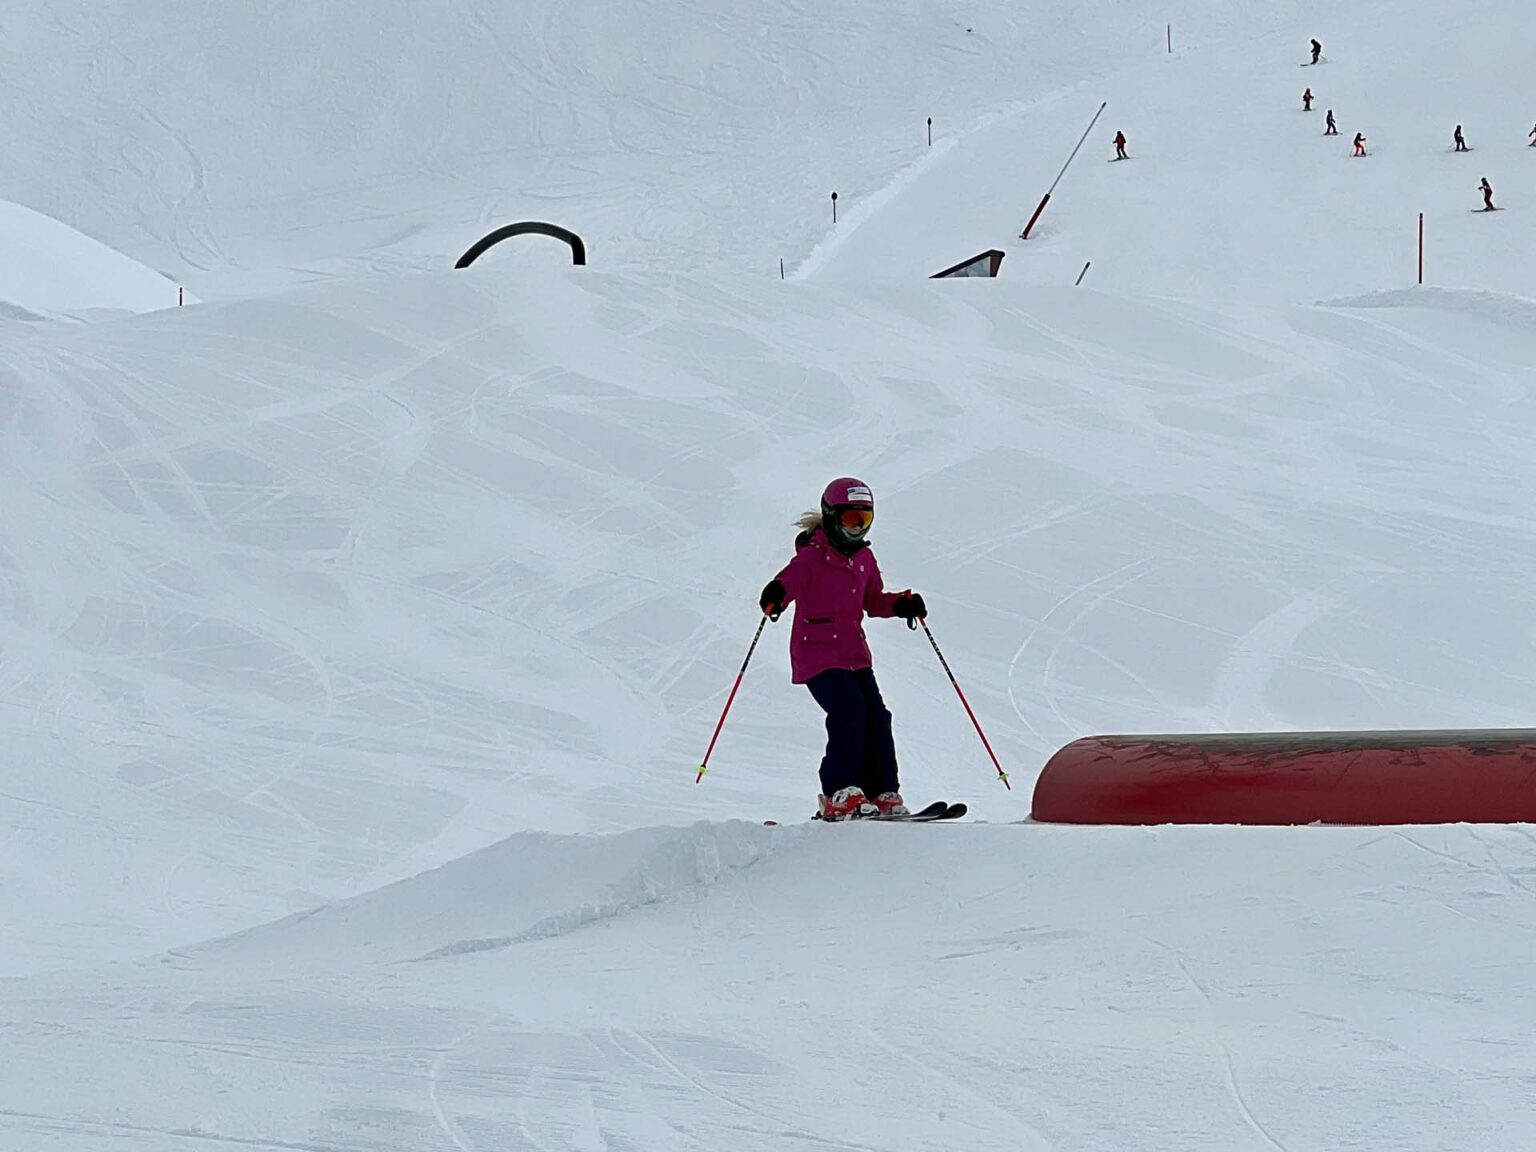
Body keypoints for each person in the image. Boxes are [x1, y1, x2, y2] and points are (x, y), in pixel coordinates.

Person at [759, 477, 926, 821]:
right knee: (849, 709)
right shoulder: (812, 557)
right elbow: (790, 580)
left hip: (854, 656)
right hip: (817, 655)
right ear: (832, 517)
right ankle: (839, 792)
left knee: (877, 716)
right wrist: (777, 594)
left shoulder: (864, 558)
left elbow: (872, 600)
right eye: (851, 519)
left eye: (864, 520)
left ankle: (882, 791)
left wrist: (900, 605)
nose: (857, 529)